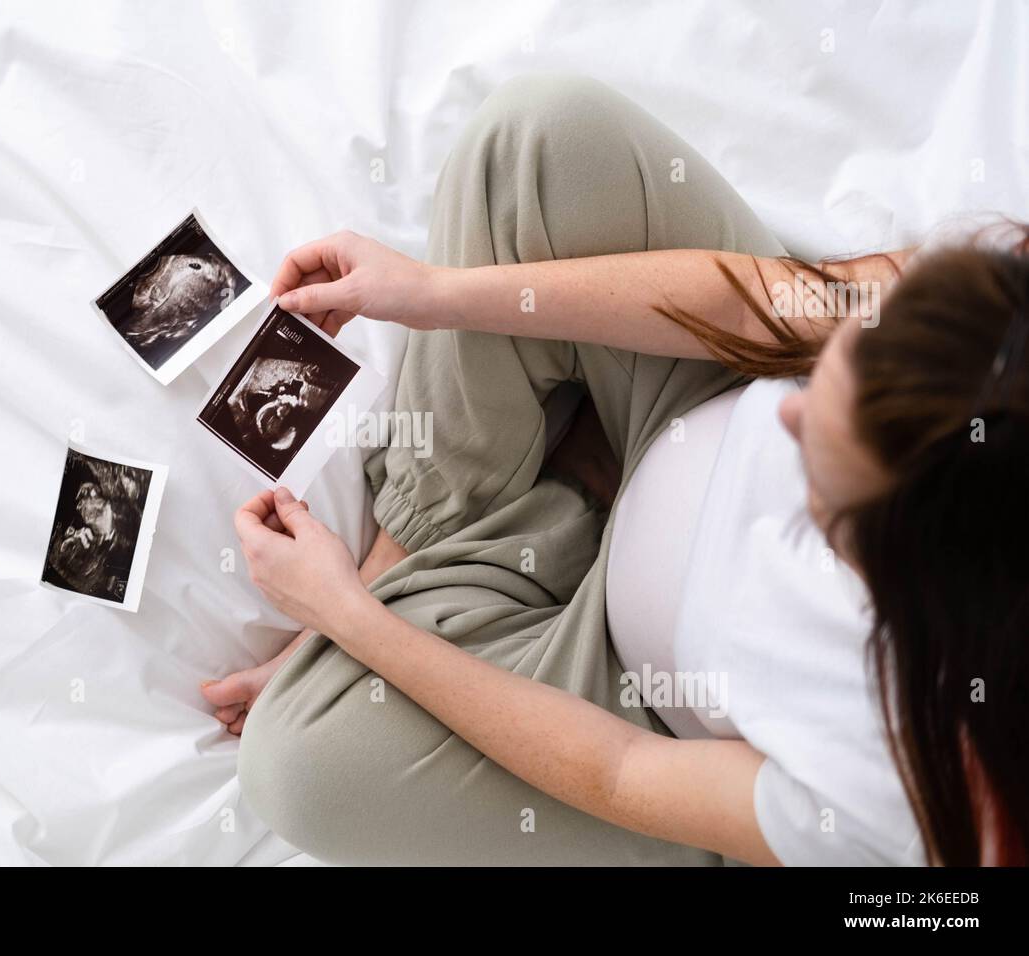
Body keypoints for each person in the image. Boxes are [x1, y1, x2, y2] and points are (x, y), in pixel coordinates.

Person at [201, 75, 1027, 866]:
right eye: (840, 371)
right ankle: (440, 542)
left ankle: (539, 510)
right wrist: (441, 292)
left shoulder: (904, 798)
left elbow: (619, 772)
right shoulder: (993, 309)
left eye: (817, 464)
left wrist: (349, 616)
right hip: (696, 394)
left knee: (297, 771)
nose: (789, 414)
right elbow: (760, 310)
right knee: (535, 138)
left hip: (638, 709)